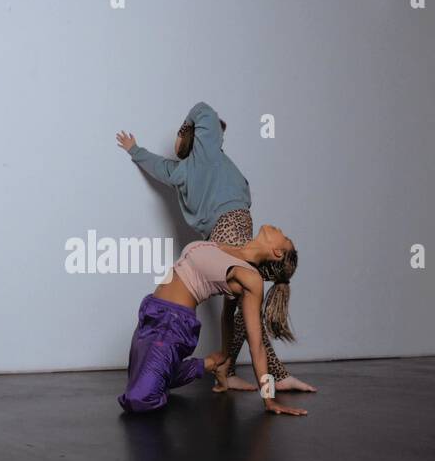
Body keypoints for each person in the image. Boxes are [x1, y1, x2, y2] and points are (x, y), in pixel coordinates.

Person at [117, 102, 316, 393]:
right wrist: (185, 127)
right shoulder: (206, 156)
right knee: (244, 308)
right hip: (231, 225)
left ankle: (232, 370)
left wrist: (135, 150)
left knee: (237, 307)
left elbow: (158, 166)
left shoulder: (181, 173)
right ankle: (265, 375)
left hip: (217, 236)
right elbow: (203, 109)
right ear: (202, 138)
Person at [118, 224, 307, 416]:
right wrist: (224, 356)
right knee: (139, 380)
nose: (280, 230)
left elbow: (256, 346)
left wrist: (269, 399)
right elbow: (227, 316)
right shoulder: (228, 248)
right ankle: (211, 364)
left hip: (172, 325)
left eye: (284, 236)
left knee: (138, 399)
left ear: (277, 252)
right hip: (151, 312)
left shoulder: (251, 278)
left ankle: (202, 365)